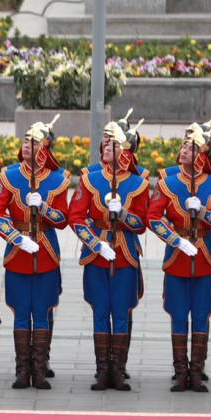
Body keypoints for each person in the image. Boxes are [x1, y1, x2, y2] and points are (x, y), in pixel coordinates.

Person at [146, 114, 211, 393]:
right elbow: (154, 217)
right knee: (178, 314)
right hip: (177, 255)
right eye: (183, 146)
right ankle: (181, 372)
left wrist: (203, 212)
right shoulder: (167, 181)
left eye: (191, 147)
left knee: (202, 314)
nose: (184, 150)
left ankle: (197, 371)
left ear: (203, 155)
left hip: (204, 255)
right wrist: (175, 239)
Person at [0, 116, 70, 390]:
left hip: (46, 250)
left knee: (43, 311)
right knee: (22, 312)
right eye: (25, 140)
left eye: (33, 142)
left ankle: (40, 369)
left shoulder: (58, 179)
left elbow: (62, 219)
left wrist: (44, 207)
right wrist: (15, 237)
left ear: (45, 147)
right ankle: (22, 370)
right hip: (18, 252)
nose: (26, 145)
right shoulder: (9, 175)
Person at [70, 110, 149, 391]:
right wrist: (95, 244)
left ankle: (119, 369)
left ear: (126, 150)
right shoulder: (89, 179)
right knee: (101, 311)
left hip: (125, 254)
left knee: (121, 310)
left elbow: (142, 223)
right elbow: (76, 217)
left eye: (114, 144)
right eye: (107, 143)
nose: (106, 147)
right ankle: (103, 370)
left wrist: (124, 214)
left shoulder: (139, 183)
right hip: (97, 254)